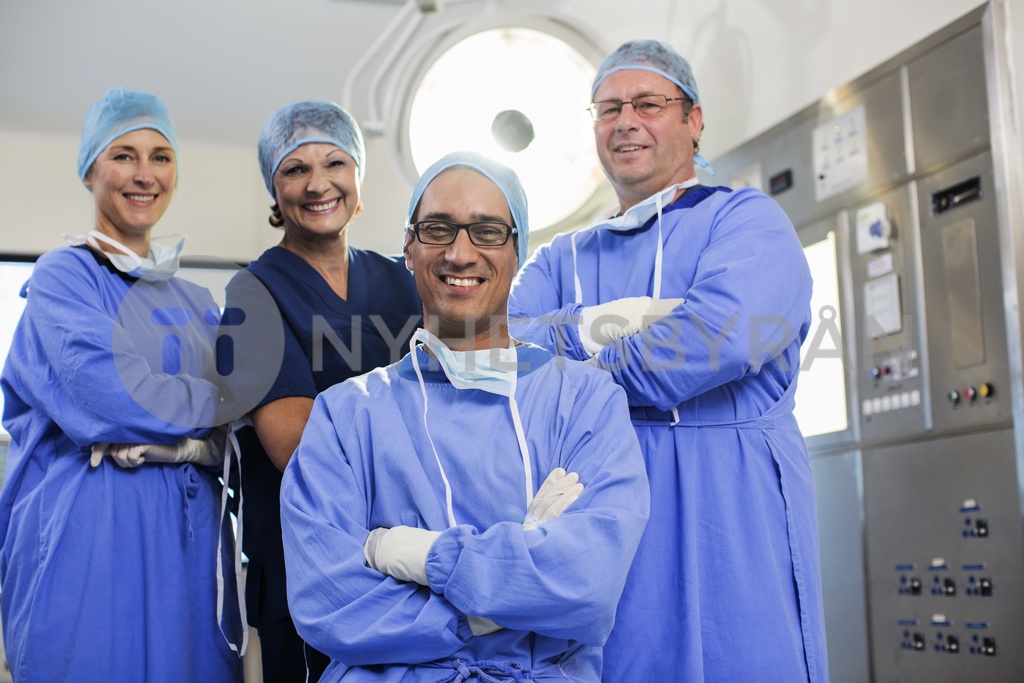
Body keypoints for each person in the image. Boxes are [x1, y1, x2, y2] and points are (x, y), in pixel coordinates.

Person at [508, 41, 829, 681]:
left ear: (693, 119)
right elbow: (510, 354)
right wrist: (634, 319)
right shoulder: (559, 258)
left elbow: (718, 338)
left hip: (730, 508)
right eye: (608, 108)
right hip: (600, 511)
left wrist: (572, 346)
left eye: (648, 103)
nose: (625, 120)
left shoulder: (749, 223)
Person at [279, 151, 650, 681]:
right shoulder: (346, 415)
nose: (459, 253)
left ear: (517, 251)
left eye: (487, 232)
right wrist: (505, 596)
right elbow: (327, 602)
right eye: (437, 229)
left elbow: (587, 582)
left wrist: (423, 556)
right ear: (408, 248)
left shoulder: (584, 401)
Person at [0, 88, 243, 681]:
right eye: (124, 155)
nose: (144, 174)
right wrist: (211, 411)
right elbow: (111, 394)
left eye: (161, 157)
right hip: (90, 536)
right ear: (89, 170)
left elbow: (243, 416)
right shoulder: (65, 275)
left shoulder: (196, 302)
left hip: (189, 543)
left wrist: (206, 419)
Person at [226, 100, 422, 682]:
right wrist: (420, 430)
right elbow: (291, 442)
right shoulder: (252, 293)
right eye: (294, 169)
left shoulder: (404, 281)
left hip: (418, 545)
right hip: (308, 558)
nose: (318, 184)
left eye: (335, 162)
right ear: (274, 188)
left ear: (358, 180)